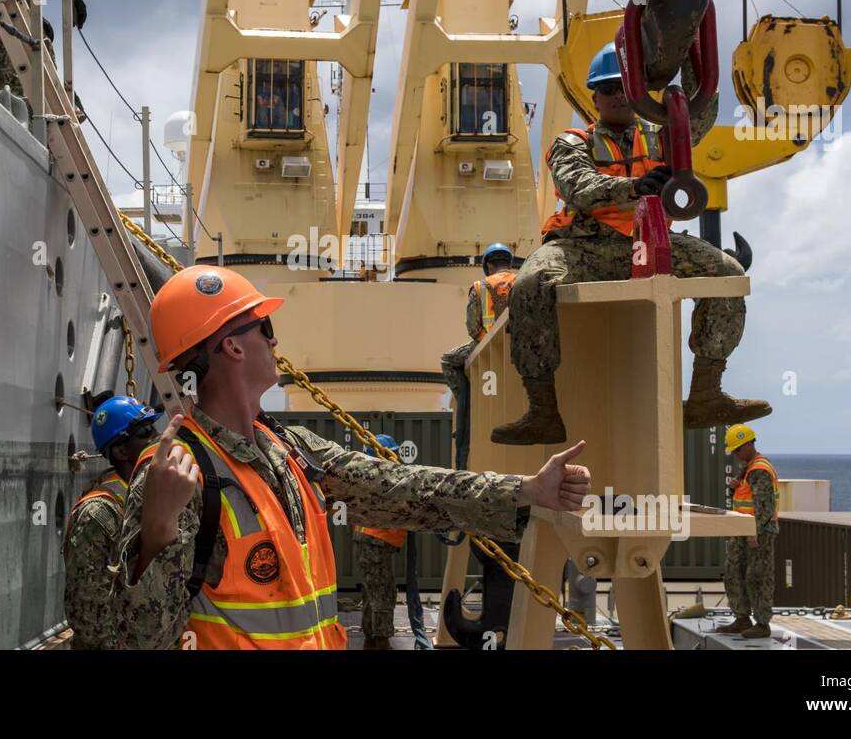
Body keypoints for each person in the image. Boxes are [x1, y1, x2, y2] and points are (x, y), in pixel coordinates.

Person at [110, 265, 593, 649]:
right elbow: (136, 637)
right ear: (231, 345)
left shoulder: (289, 449)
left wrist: (527, 491)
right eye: (265, 326)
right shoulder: (177, 473)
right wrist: (159, 529)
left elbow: (403, 488)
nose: (275, 341)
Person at [492, 42, 771, 445]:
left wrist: (693, 51)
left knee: (727, 274)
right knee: (530, 285)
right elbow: (579, 187)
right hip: (582, 246)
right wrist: (634, 186)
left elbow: (701, 113)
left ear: (641, 91)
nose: (619, 96)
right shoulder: (572, 143)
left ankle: (706, 394)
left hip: (650, 242)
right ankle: (542, 411)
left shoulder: (664, 136)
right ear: (595, 97)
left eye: (626, 86)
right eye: (609, 89)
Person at [61, 395, 161, 649]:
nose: (157, 437)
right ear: (121, 451)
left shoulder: (146, 496)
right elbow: (87, 613)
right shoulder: (99, 513)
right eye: (146, 431)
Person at [440, 243, 517, 470]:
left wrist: (486, 342)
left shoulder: (480, 286)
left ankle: (466, 396)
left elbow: (473, 328)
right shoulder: (522, 282)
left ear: (488, 265)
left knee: (448, 359)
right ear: (509, 264)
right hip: (519, 346)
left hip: (487, 346)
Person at [714, 424, 779, 639]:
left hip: (757, 532)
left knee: (757, 576)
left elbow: (765, 508)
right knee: (733, 572)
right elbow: (745, 498)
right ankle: (742, 618)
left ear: (750, 444)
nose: (735, 454)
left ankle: (762, 623)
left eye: (738, 450)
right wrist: (734, 487)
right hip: (741, 529)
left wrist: (755, 533)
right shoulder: (747, 467)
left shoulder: (759, 469)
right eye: (733, 451)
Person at [352, 433, 407, 650]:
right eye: (392, 452)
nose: (396, 456)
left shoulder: (365, 476)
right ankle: (381, 641)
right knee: (383, 592)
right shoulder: (384, 477)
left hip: (369, 538)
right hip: (377, 540)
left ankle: (370, 638)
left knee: (371, 590)